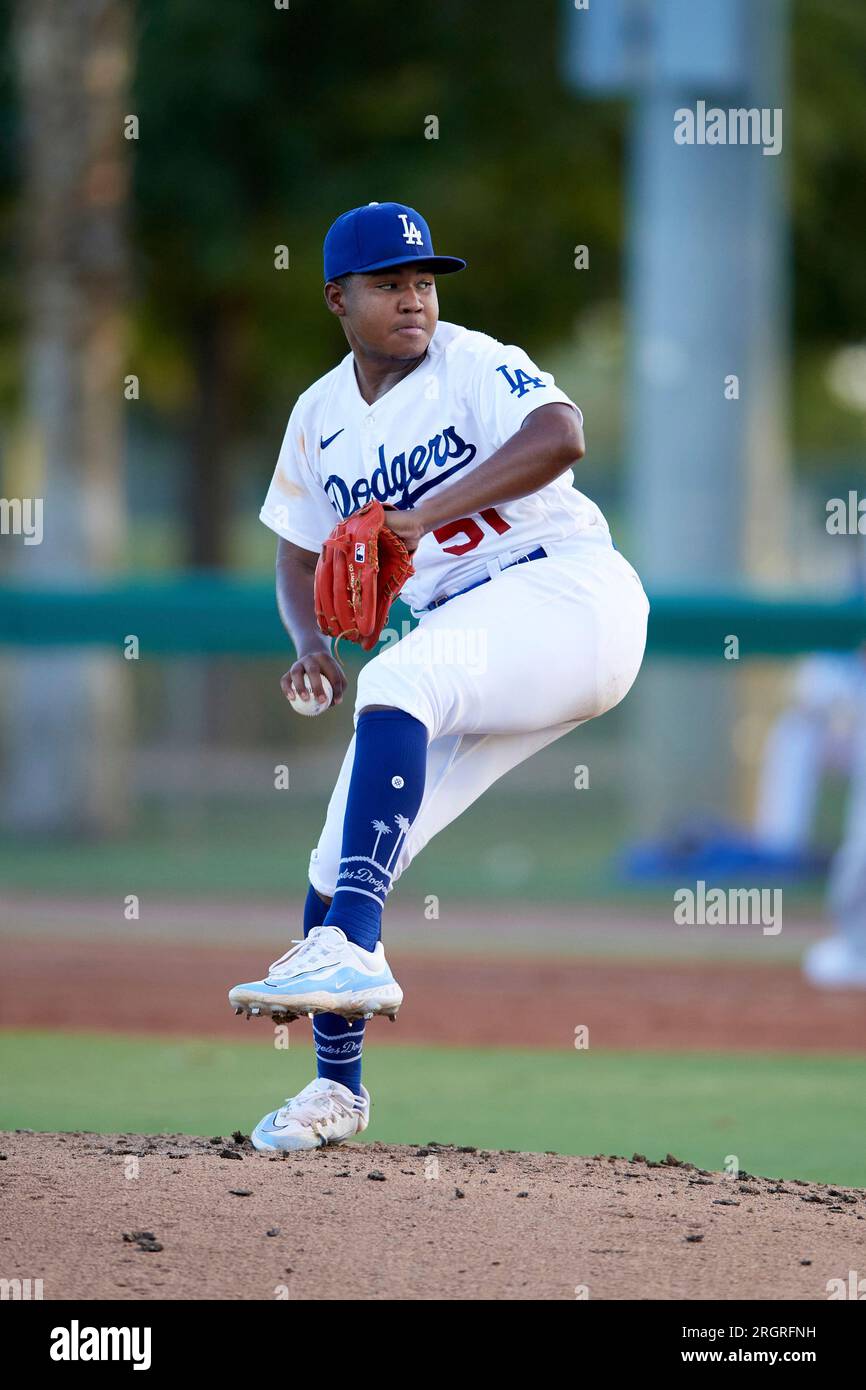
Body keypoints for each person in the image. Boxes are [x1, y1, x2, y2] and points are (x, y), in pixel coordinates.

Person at [228, 201, 649, 1149]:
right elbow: (298, 555)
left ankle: (347, 951)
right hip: (478, 639)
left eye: (423, 281)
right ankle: (337, 1091)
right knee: (336, 862)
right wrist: (309, 645)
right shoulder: (319, 416)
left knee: (400, 685)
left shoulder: (471, 360)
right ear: (339, 297)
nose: (415, 299)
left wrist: (424, 516)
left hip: (570, 596)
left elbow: (562, 434)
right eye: (390, 283)